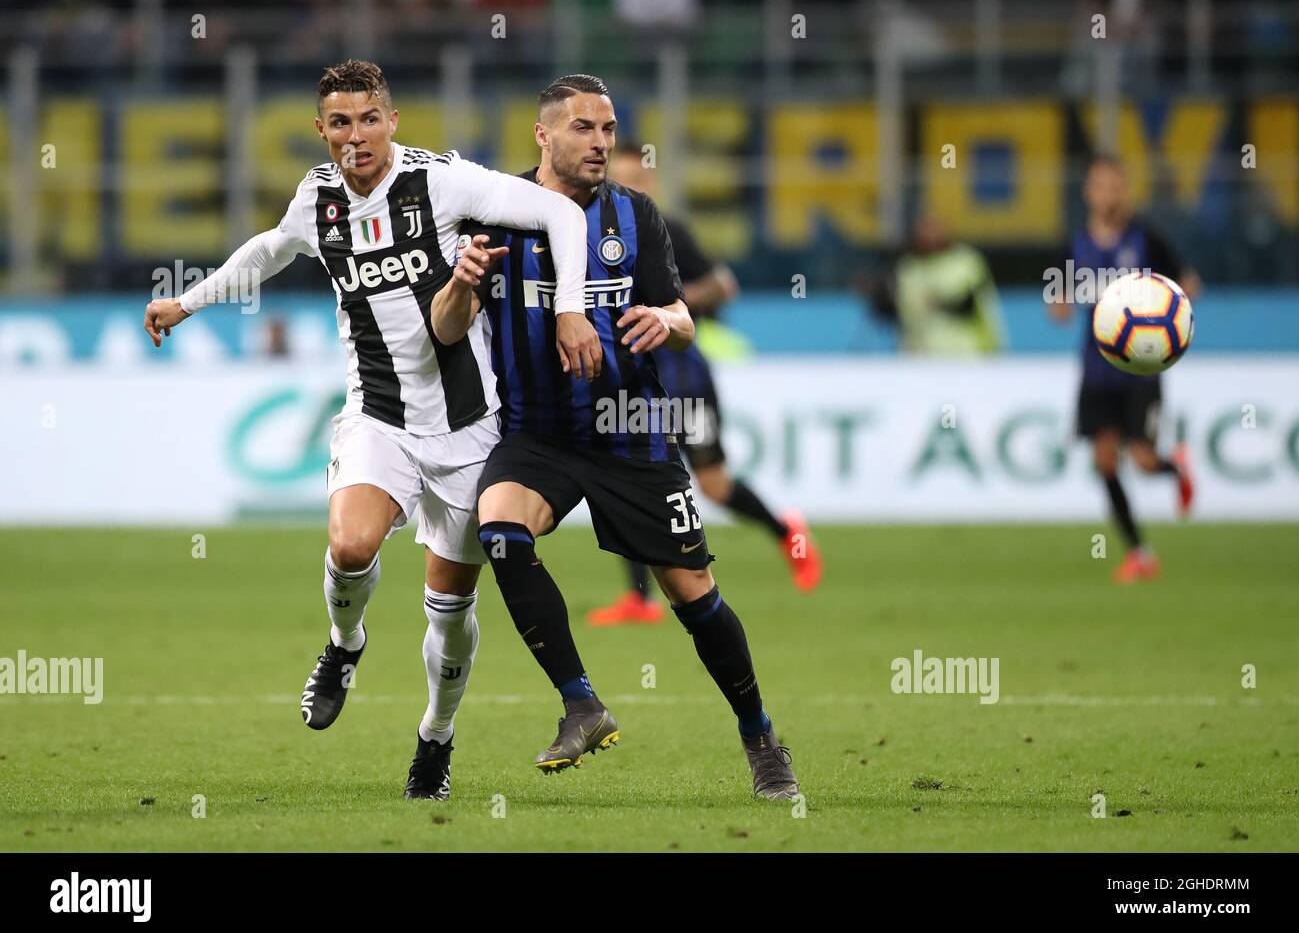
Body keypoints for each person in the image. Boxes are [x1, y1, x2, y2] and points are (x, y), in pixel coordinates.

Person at [142, 58, 591, 800]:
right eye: (340, 123)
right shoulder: (317, 198)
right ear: (321, 131)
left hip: (470, 431)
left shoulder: (440, 183)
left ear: (393, 121)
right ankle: (345, 645)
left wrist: (571, 307)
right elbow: (272, 248)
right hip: (378, 414)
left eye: (370, 119)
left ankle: (435, 740)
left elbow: (562, 213)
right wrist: (187, 301)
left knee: (449, 611)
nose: (357, 138)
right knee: (350, 545)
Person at [431, 74, 800, 800]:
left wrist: (666, 321)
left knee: (695, 598)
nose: (601, 142)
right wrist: (459, 284)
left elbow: (683, 316)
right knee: (500, 529)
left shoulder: (635, 216)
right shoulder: (492, 214)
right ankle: (581, 703)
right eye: (584, 129)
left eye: (607, 129)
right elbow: (445, 332)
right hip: (537, 431)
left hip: (631, 429)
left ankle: (760, 736)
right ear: (543, 135)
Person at [582, 144, 822, 627]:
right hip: (628, 378)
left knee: (712, 484)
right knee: (626, 475)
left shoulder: (665, 229)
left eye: (637, 177)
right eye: (619, 177)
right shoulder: (590, 228)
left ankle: (786, 533)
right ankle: (639, 598)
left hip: (682, 375)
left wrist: (665, 302)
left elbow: (722, 285)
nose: (628, 186)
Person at [1050, 155, 1198, 583]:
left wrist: (1168, 310)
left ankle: (1177, 468)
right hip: (1095, 372)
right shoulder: (1075, 245)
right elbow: (1057, 304)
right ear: (1088, 192)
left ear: (1124, 190)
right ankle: (1139, 553)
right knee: (1105, 462)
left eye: (1116, 186)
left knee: (1143, 460)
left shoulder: (1146, 240)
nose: (1108, 194)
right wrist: (1059, 303)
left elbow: (1188, 285)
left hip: (1140, 372)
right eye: (1101, 186)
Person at [867, 214, 1005, 356]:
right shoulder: (907, 268)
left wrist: (936, 302)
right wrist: (879, 295)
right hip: (918, 357)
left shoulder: (965, 261)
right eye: (923, 232)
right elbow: (895, 310)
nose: (928, 237)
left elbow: (967, 305)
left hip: (967, 355)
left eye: (933, 231)